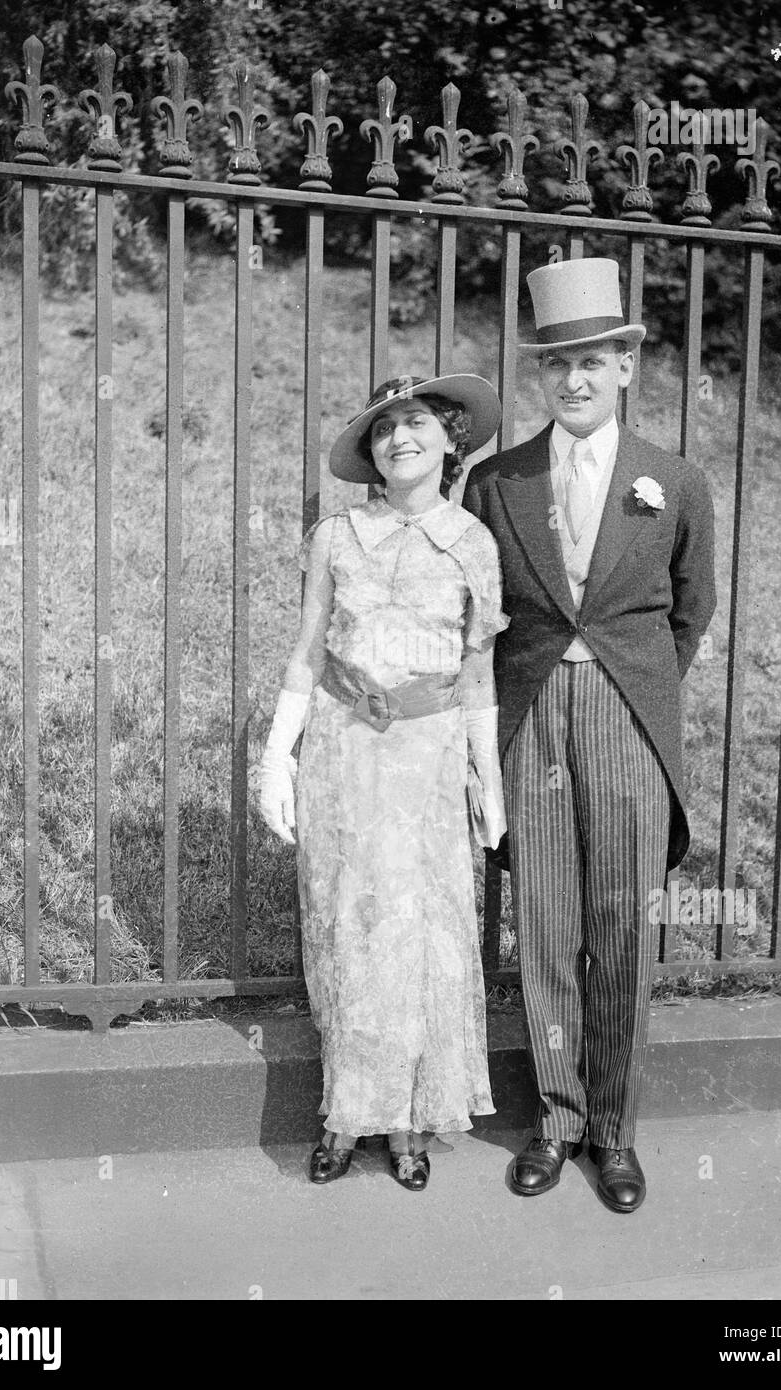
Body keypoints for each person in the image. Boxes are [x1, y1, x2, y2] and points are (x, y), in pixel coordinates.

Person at [463, 258, 716, 1212]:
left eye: (593, 360)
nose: (573, 379)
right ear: (542, 374)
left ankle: (615, 1131)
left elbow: (690, 611)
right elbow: (482, 614)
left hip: (625, 717)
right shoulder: (497, 483)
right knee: (551, 923)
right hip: (531, 714)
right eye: (556, 363)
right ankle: (556, 1120)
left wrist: (631, 684)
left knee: (621, 923)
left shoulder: (674, 482)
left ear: (624, 369)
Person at [258, 373, 510, 1190]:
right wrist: (275, 756)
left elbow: (479, 674)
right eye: (384, 429)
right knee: (350, 929)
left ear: (449, 442)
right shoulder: (336, 536)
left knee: (421, 939)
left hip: (430, 757)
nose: (400, 438)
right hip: (344, 751)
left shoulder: (474, 541)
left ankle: (406, 1124)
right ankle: (344, 1115)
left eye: (417, 424)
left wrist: (490, 778)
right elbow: (306, 650)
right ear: (370, 452)